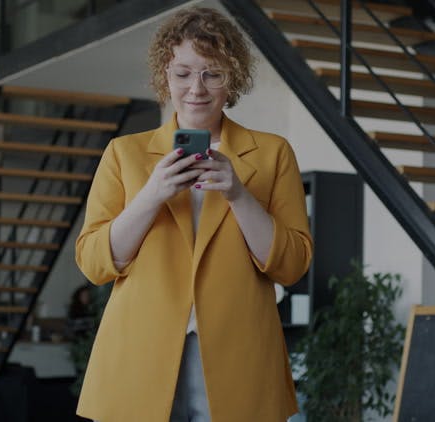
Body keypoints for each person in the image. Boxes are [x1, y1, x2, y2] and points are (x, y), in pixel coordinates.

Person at [74, 7, 313, 422]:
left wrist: (238, 194)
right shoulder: (124, 153)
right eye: (183, 73)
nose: (196, 88)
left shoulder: (273, 154)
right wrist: (152, 195)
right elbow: (94, 263)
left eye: (212, 73)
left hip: (239, 354)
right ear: (164, 75)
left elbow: (292, 266)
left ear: (232, 77)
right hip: (139, 355)